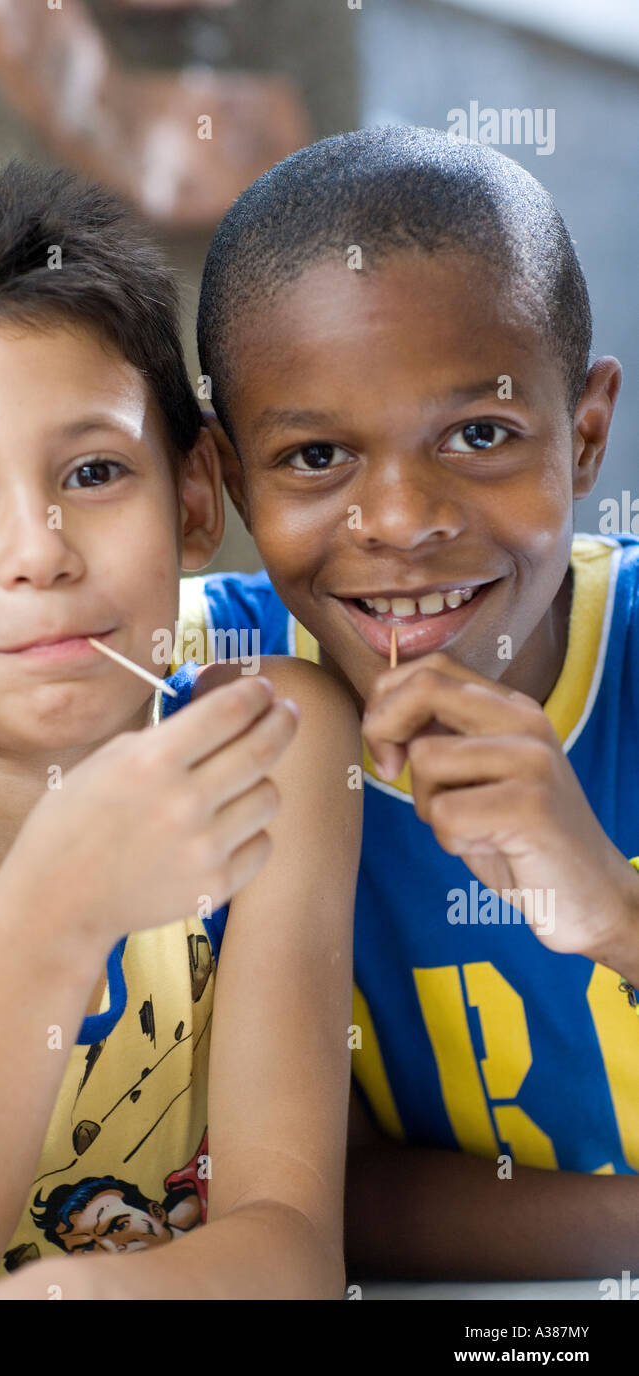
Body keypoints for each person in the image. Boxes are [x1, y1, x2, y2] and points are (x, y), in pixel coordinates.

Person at [0, 160, 361, 1300]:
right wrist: (54, 911)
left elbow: (289, 1245)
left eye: (93, 471)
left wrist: (74, 1297)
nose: (38, 550)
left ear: (192, 501)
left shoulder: (271, 737)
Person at [180, 125, 639, 1280]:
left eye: (479, 435)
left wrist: (610, 911)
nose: (396, 518)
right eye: (315, 457)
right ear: (230, 481)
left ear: (584, 436)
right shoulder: (198, 694)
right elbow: (319, 1196)